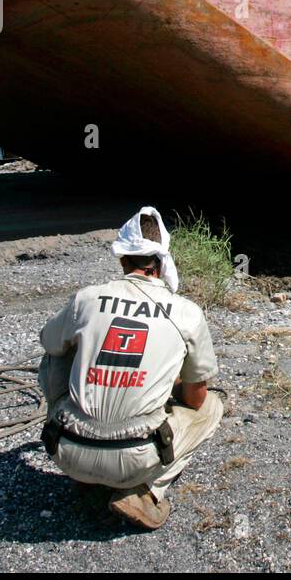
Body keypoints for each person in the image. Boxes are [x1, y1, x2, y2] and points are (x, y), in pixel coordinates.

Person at [37, 207, 222, 529]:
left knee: (57, 353)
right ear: (162, 260)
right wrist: (170, 385)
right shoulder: (186, 312)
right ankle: (146, 492)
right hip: (137, 457)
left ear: (122, 258)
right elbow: (195, 399)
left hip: (65, 449)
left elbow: (48, 342)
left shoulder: (87, 298)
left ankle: (88, 472)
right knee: (212, 405)